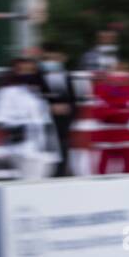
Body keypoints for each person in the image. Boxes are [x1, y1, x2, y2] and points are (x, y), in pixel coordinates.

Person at [0, 57, 56, 179]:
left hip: (43, 146)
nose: (27, 74)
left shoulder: (38, 92)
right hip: (21, 146)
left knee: (43, 179)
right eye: (23, 70)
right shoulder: (6, 92)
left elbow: (44, 118)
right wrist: (18, 128)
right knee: (30, 180)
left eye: (31, 70)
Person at [38, 45, 78, 175]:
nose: (52, 62)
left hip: (63, 122)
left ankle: (61, 173)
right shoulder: (37, 77)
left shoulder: (67, 76)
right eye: (48, 58)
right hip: (45, 122)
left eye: (55, 58)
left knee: (63, 147)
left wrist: (69, 110)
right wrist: (48, 108)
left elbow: (73, 99)